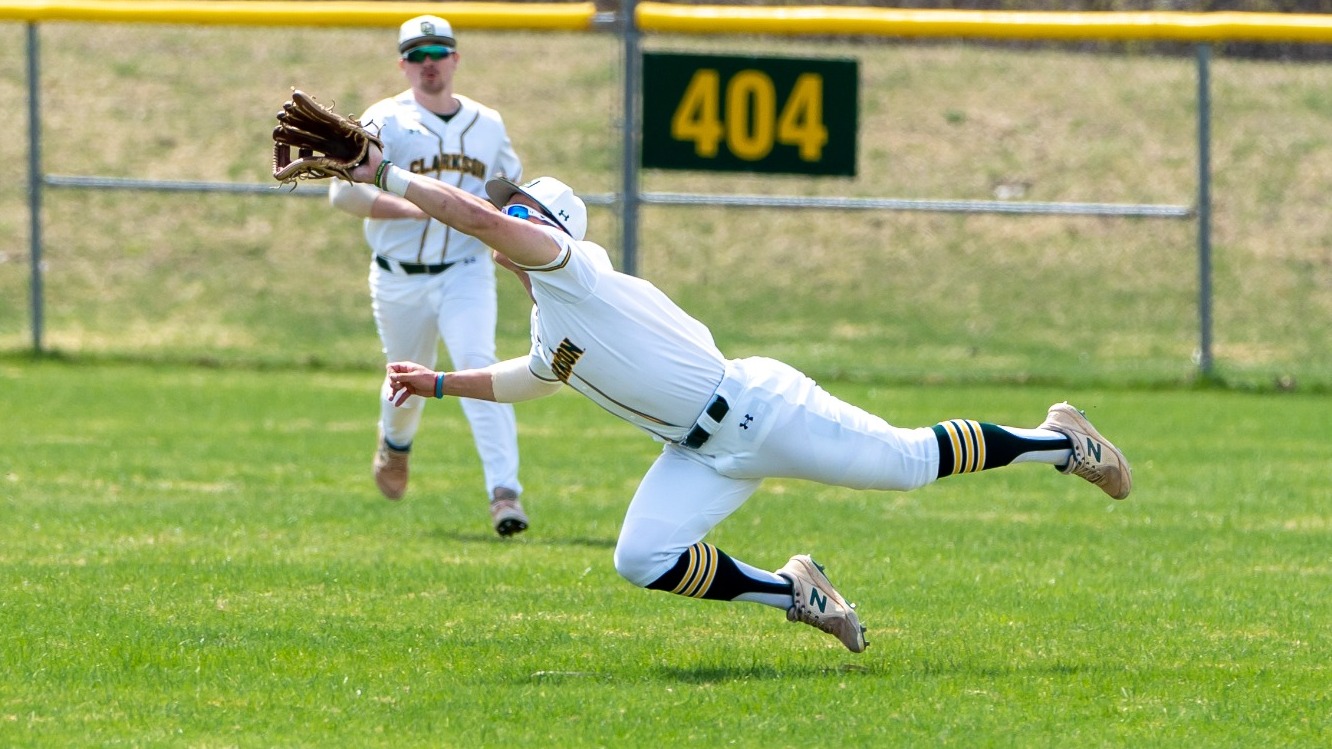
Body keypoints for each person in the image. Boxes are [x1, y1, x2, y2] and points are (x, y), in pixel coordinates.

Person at [347, 147, 1133, 653]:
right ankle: (795, 589)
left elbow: (476, 216)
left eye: (522, 206)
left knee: (908, 463)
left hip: (761, 409)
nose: (508, 213)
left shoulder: (572, 267)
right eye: (509, 204)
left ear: (552, 229)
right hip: (700, 453)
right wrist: (438, 383)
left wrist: (385, 174)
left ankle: (1061, 441)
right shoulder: (550, 318)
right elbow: (530, 377)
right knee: (640, 557)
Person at [328, 15, 531, 536]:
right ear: (403, 65)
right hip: (398, 275)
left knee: (479, 365)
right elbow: (344, 194)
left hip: (465, 271)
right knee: (405, 377)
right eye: (416, 55)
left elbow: (510, 190)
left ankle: (504, 494)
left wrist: (515, 231)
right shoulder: (385, 119)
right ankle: (395, 446)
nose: (428, 63)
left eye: (438, 52)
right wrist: (418, 208)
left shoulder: (487, 124)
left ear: (455, 59)